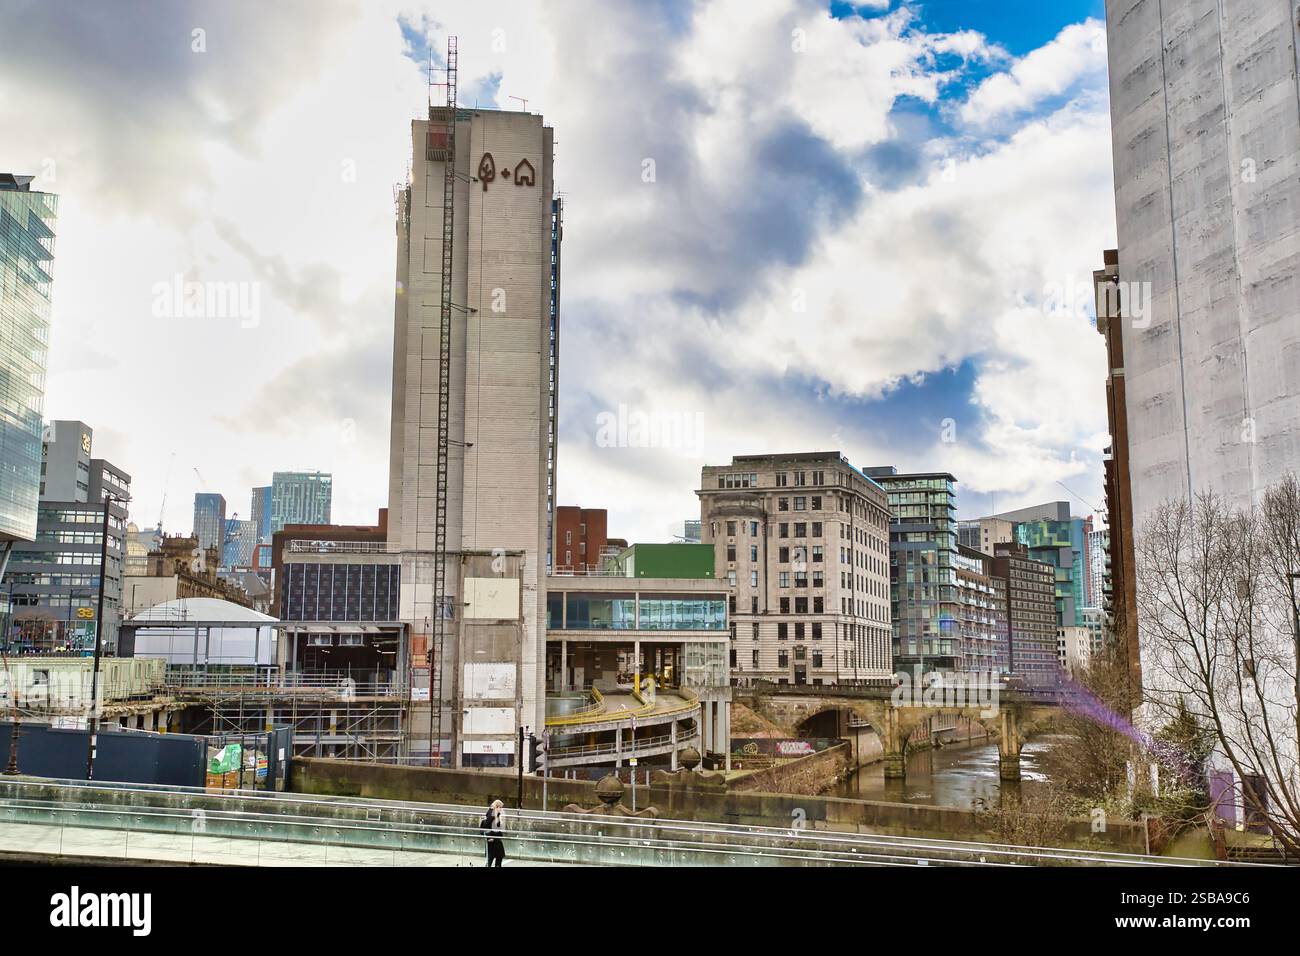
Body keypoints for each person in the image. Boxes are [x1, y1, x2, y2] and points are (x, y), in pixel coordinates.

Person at [480, 799, 505, 867]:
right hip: (492, 839)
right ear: (497, 807)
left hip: (495, 839)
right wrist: (490, 837)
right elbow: (486, 827)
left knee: (497, 856)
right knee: (492, 858)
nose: (501, 809)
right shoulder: (491, 815)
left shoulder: (494, 814)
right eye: (500, 807)